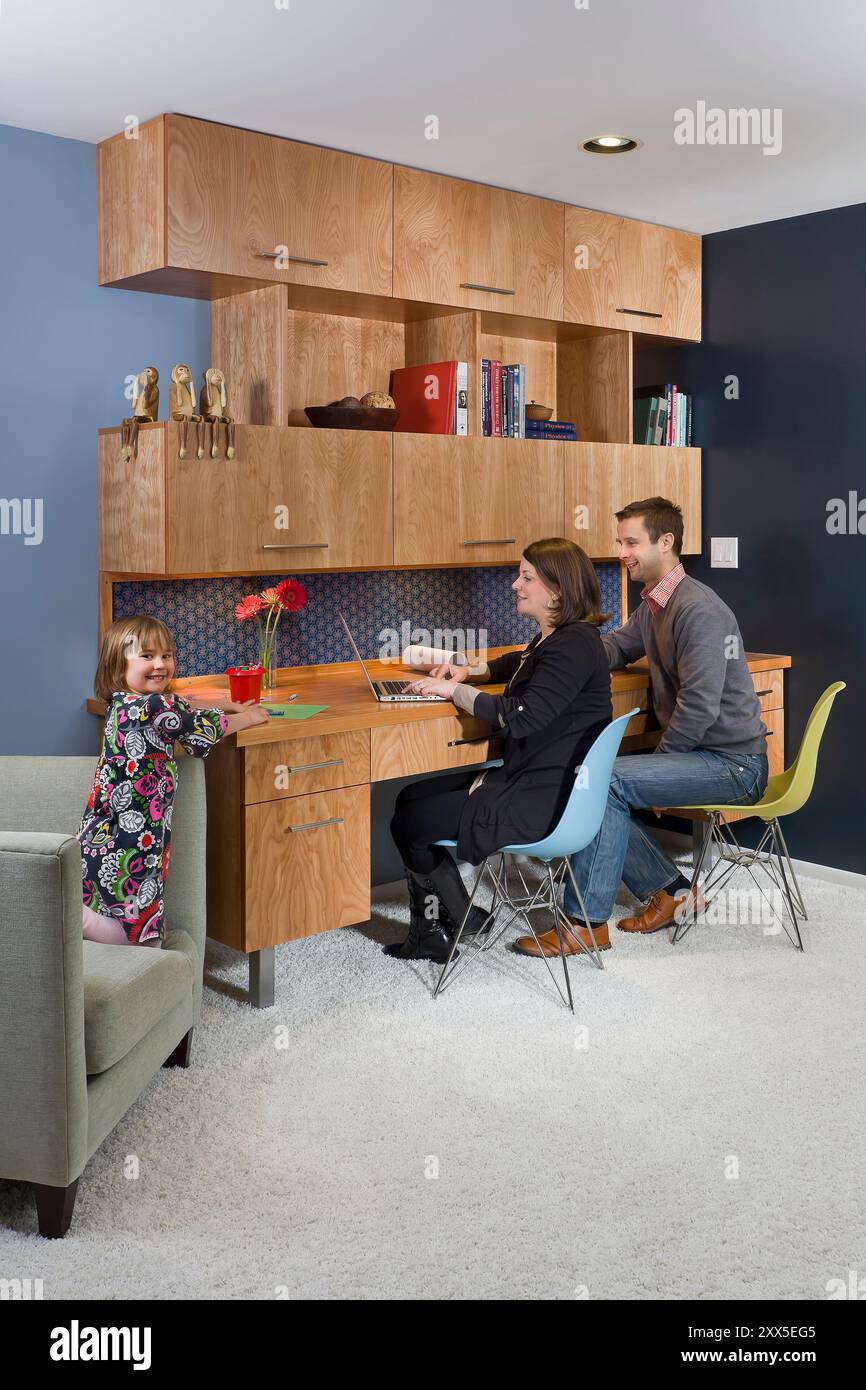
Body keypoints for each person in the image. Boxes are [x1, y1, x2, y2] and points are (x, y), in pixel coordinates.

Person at [514, 497, 769, 959]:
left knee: (606, 782)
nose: (622, 552)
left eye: (631, 542)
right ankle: (671, 891)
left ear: (665, 543)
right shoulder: (654, 605)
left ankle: (586, 924)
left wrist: (657, 773)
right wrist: (560, 654)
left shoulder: (699, 610)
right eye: (620, 541)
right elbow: (612, 649)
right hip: (703, 757)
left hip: (734, 764)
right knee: (593, 779)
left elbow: (699, 706)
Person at [387, 538, 613, 962]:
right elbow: (520, 664)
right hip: (539, 778)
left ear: (558, 590)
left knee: (410, 821)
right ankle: (462, 915)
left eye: (526, 577)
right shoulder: (560, 639)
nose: (515, 584)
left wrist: (455, 691)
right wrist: (474, 669)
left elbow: (523, 716)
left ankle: (435, 930)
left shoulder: (573, 645)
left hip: (543, 798)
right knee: (410, 796)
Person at [79, 614, 269, 946]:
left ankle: (91, 920)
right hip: (136, 835)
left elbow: (181, 705)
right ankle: (94, 927)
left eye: (166, 655)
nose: (160, 664)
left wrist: (225, 701)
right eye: (147, 656)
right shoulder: (156, 705)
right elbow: (199, 726)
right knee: (138, 914)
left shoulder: (121, 702)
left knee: (112, 898)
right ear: (116, 665)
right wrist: (249, 716)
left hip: (103, 829)